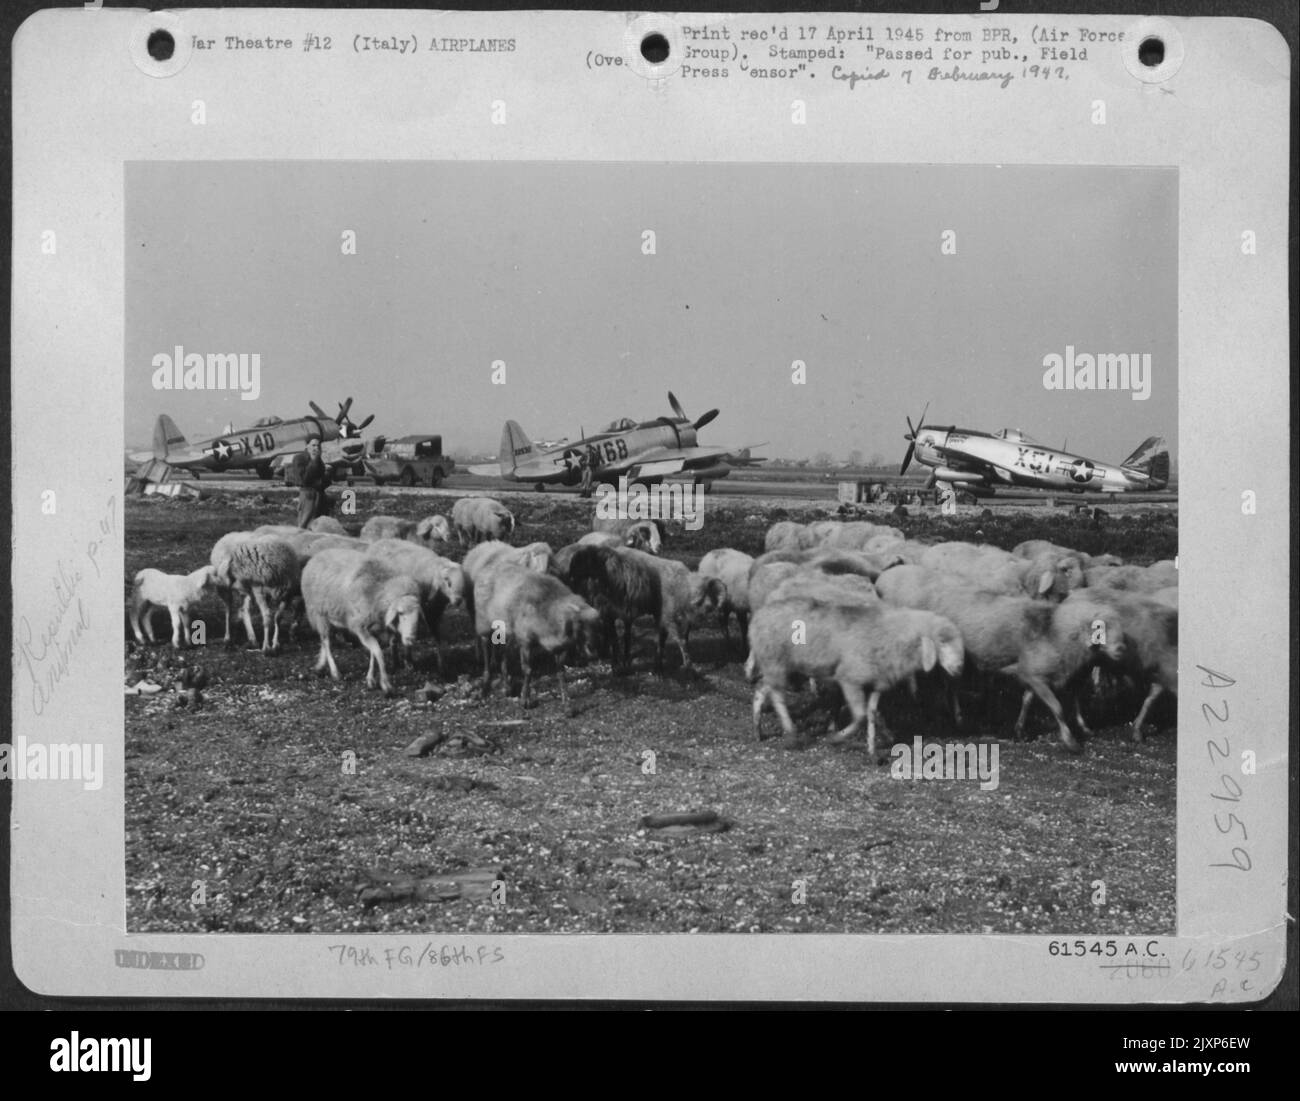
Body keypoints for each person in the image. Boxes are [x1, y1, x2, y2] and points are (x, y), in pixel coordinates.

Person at [293, 438, 331, 528]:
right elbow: (304, 480)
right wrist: (313, 462)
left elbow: (323, 482)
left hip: (318, 496)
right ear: (307, 446)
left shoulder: (318, 461)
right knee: (304, 523)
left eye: (318, 446)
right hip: (307, 496)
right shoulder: (299, 458)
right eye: (313, 445)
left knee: (314, 525)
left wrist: (327, 474)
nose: (316, 448)